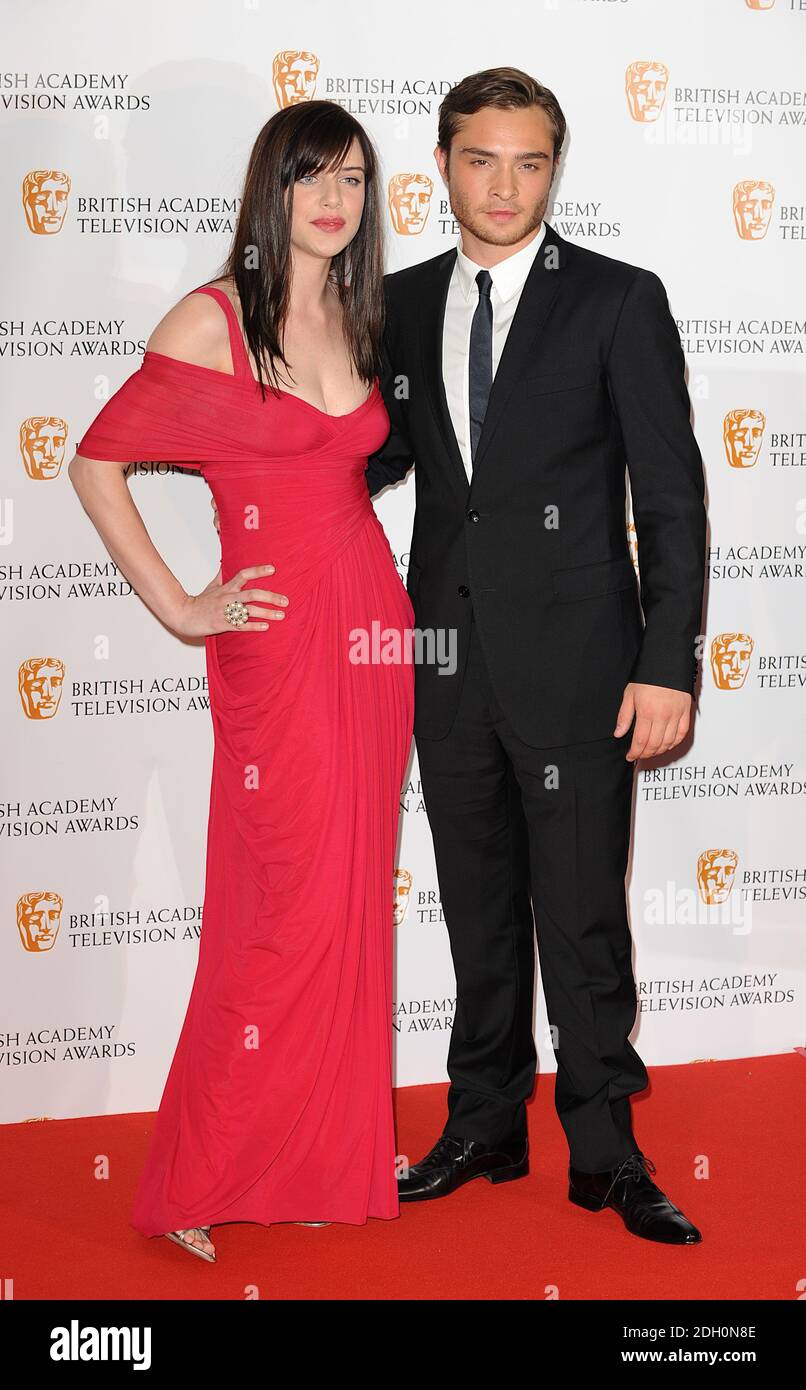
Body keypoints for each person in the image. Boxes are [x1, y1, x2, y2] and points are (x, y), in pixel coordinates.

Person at [363, 68, 707, 1244]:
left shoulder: (615, 298)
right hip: (445, 660)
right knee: (475, 914)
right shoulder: (399, 304)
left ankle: (606, 1151)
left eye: (528, 162)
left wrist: (667, 661)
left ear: (554, 169)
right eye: (479, 159)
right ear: (442, 165)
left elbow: (668, 494)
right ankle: (483, 1124)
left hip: (579, 669)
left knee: (578, 918)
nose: (503, 186)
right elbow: (364, 459)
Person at [69, 100, 414, 1261]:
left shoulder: (359, 314)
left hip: (371, 630)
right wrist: (179, 605)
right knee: (275, 914)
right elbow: (97, 463)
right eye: (313, 175)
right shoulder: (208, 320)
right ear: (271, 186)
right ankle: (198, 1177)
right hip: (274, 645)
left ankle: (318, 1157)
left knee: (347, 907)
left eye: (355, 180)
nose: (335, 198)